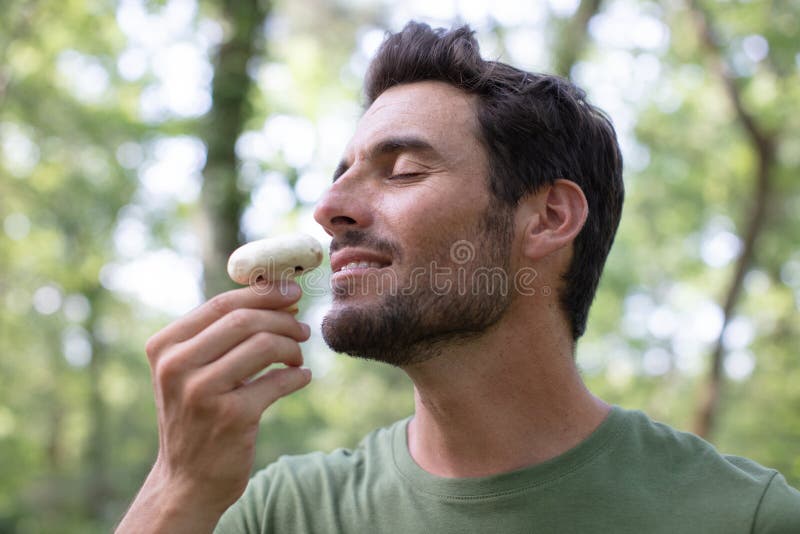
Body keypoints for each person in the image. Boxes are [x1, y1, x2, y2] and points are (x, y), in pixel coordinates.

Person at [116, 22, 800, 534]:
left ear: (547, 218)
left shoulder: (743, 517)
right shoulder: (286, 513)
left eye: (405, 170)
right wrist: (177, 489)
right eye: (340, 176)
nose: (328, 211)